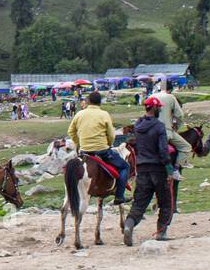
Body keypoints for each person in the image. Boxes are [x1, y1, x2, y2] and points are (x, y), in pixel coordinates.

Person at [122, 97, 175, 245]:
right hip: (158, 169)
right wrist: (169, 169)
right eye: (159, 108)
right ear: (154, 108)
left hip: (142, 169)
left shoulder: (138, 125)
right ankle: (161, 232)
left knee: (139, 203)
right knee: (166, 202)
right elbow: (163, 150)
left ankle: (129, 225)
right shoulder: (159, 127)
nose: (160, 110)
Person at [67, 90, 129, 204]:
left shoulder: (79, 114)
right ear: (100, 103)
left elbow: (71, 131)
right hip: (102, 151)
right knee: (125, 167)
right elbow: (111, 134)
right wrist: (109, 144)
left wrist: (79, 143)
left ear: (88, 101)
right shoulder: (104, 114)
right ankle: (119, 195)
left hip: (85, 151)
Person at [156, 80, 191, 181]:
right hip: (166, 131)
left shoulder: (151, 96)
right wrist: (176, 127)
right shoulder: (171, 97)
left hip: (150, 130)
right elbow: (179, 115)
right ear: (170, 89)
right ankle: (175, 170)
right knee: (186, 147)